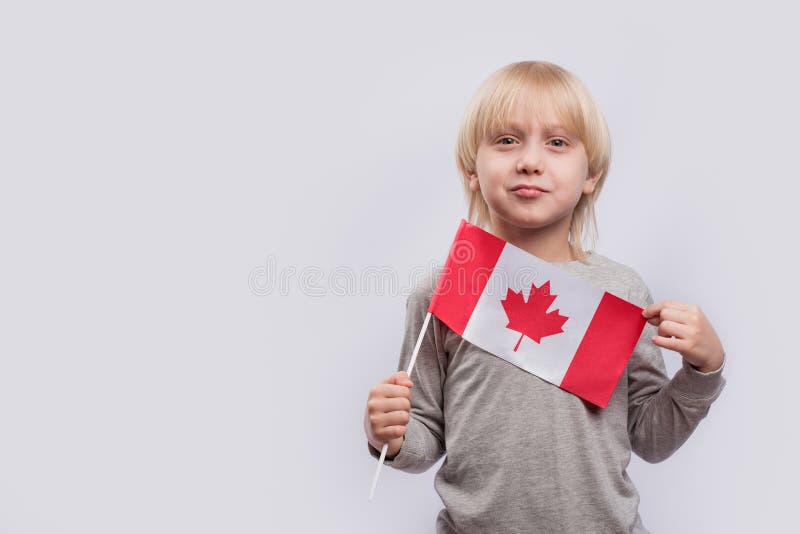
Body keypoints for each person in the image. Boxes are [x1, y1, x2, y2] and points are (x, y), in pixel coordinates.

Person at [363, 60, 726, 533]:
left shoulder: (622, 293)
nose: (530, 160)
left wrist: (704, 370)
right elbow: (425, 441)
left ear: (591, 174)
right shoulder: (446, 290)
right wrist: (389, 435)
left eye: (557, 143)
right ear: (472, 170)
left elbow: (651, 439)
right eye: (507, 140)